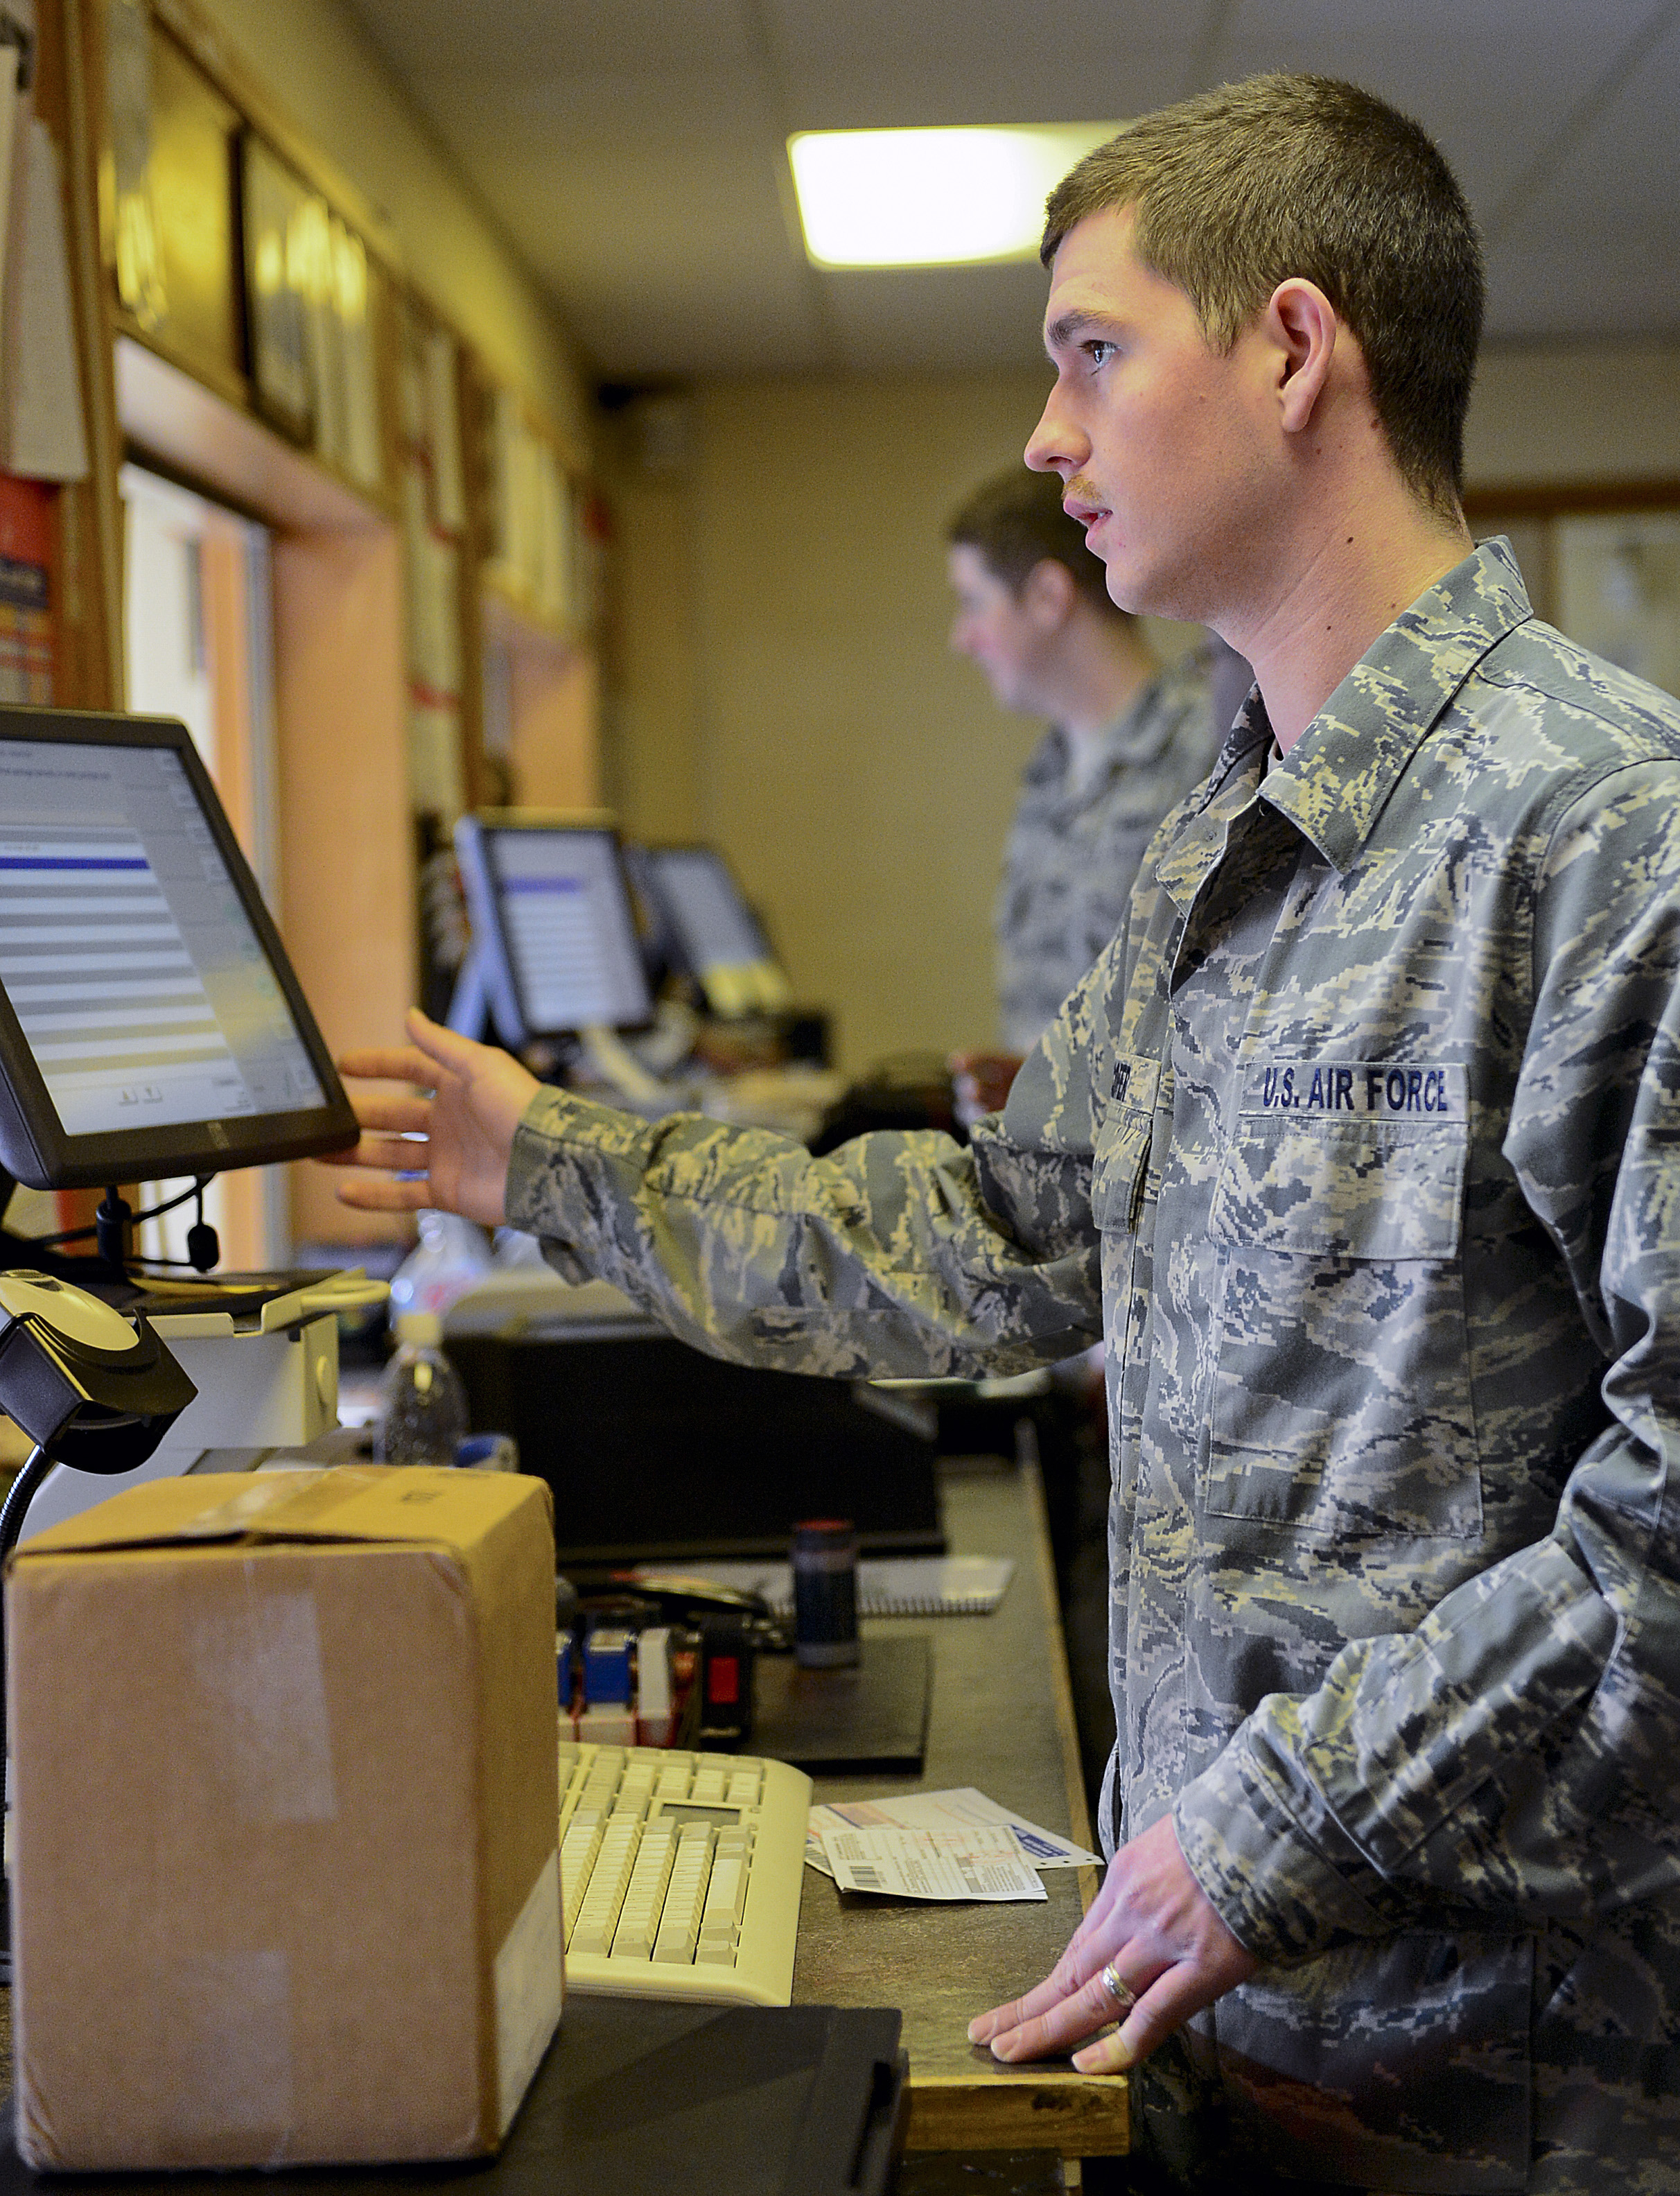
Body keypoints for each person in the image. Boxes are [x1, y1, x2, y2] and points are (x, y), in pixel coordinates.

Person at [330, 72, 1680, 2196]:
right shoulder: (1217, 838)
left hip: (1510, 2088)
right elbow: (1001, 1233)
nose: (1047, 436)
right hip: (1226, 2031)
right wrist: (551, 1165)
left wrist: (1280, 1823)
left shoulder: (1606, 830)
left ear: (1294, 349)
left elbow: (1670, 1513)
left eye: (1091, 352)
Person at [945, 469, 1225, 1052]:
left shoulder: (1210, 746)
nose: (962, 638)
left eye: (974, 603)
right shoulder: (1048, 777)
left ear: (1048, 596)